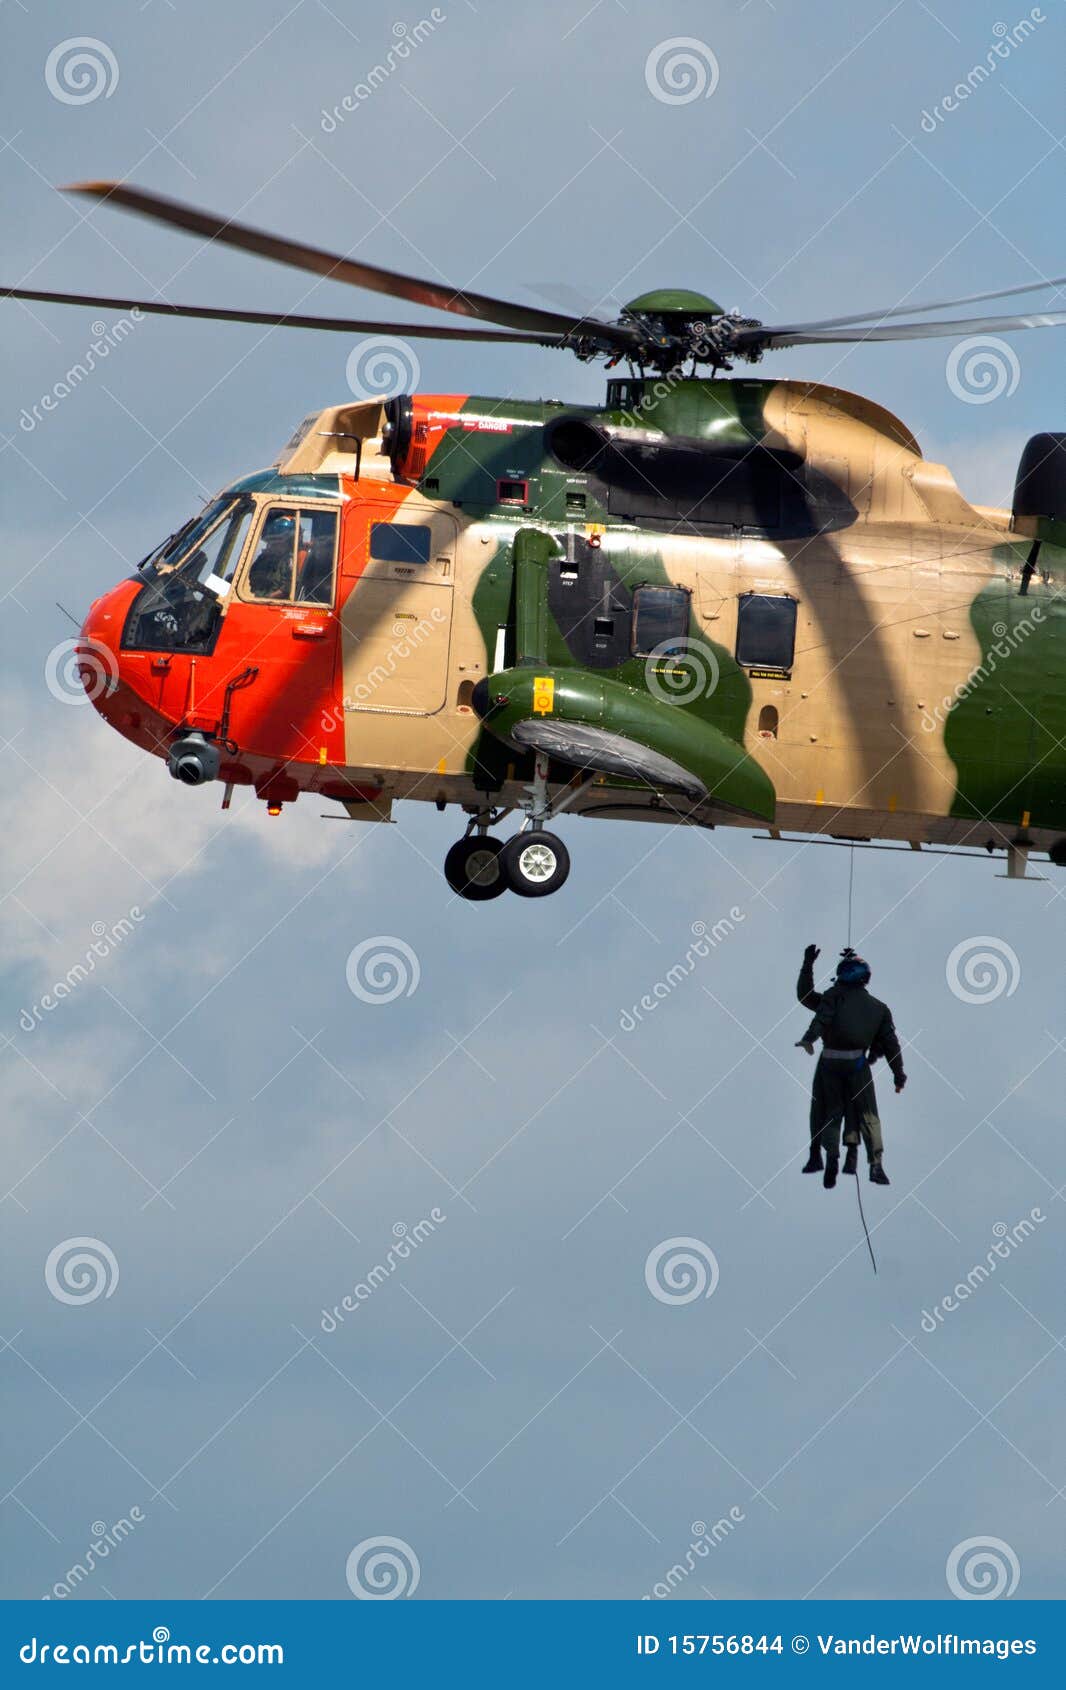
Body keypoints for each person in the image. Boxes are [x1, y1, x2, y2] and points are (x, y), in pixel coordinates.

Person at [795, 944, 906, 1190]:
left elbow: (804, 995)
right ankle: (876, 1165)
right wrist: (898, 1075)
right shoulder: (879, 1009)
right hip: (858, 1065)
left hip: (829, 1062)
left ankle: (828, 1154)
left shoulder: (830, 1000)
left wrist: (808, 965)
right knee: (869, 1116)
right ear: (865, 978)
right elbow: (891, 1046)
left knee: (826, 1111)